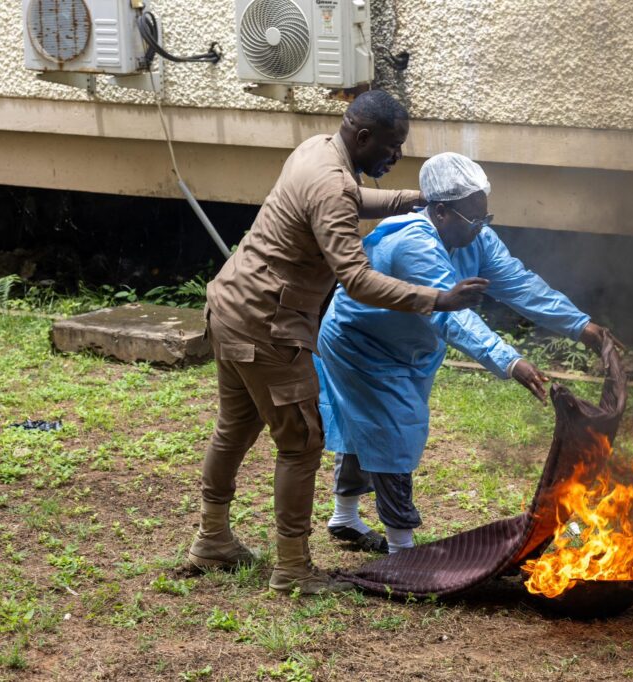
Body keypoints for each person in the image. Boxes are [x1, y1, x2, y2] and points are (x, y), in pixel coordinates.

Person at [186, 92, 489, 595]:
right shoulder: (333, 186)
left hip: (230, 308)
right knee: (302, 443)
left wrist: (413, 199)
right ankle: (292, 568)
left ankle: (212, 538)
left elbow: (351, 197)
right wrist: (439, 298)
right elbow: (357, 280)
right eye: (392, 147)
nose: (396, 156)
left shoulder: (317, 150)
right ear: (364, 137)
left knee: (233, 429)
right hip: (268, 324)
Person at [315, 152, 618, 554]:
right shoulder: (411, 243)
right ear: (440, 211)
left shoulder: (475, 238)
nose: (481, 227)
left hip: (406, 347)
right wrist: (510, 360)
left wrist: (581, 325)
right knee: (392, 434)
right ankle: (401, 550)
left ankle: (344, 518)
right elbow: (452, 317)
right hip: (361, 345)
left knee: (366, 428)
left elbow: (520, 284)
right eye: (474, 219)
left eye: (485, 217)